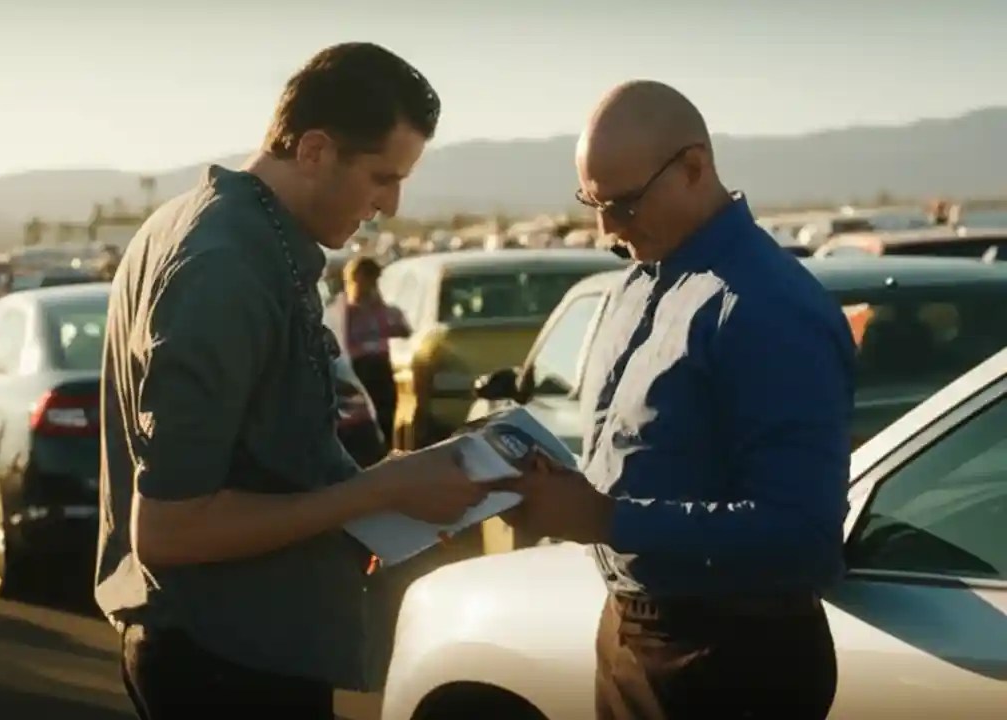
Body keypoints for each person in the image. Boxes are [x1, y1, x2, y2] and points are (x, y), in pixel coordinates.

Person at [95, 43, 494, 717]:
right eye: (380, 177)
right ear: (312, 150)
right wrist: (376, 491)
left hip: (243, 649)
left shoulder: (245, 235)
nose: (391, 205)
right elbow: (168, 530)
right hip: (225, 662)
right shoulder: (222, 266)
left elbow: (268, 456)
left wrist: (393, 485)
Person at [495, 81, 854, 719]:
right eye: (592, 203)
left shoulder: (768, 306)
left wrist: (604, 519)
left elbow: (802, 536)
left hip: (731, 662)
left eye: (625, 204)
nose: (607, 228)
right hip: (637, 634)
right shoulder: (637, 281)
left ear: (694, 168)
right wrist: (556, 493)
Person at [327, 255, 410, 445]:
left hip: (380, 365)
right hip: (357, 369)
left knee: (386, 415)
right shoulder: (341, 311)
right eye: (367, 280)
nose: (370, 286)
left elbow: (403, 329)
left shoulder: (380, 309)